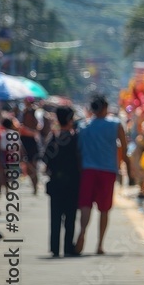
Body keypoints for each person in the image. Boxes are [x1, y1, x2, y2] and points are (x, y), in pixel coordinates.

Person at [75, 95, 128, 255]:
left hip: (88, 170)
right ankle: (99, 245)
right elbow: (124, 148)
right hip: (107, 171)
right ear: (105, 108)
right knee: (104, 209)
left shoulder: (83, 126)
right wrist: (127, 170)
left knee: (86, 205)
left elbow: (78, 150)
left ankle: (82, 232)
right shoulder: (115, 124)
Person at [43, 106, 80, 257]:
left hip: (56, 183)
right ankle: (68, 248)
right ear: (70, 120)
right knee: (70, 217)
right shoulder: (75, 138)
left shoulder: (54, 138)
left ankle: (54, 247)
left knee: (55, 216)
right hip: (72, 183)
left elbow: (46, 159)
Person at [19, 105, 40, 195]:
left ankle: (35, 187)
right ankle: (34, 186)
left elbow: (35, 132)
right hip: (25, 144)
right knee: (27, 168)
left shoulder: (34, 124)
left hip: (31, 146)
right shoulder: (23, 123)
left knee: (33, 167)